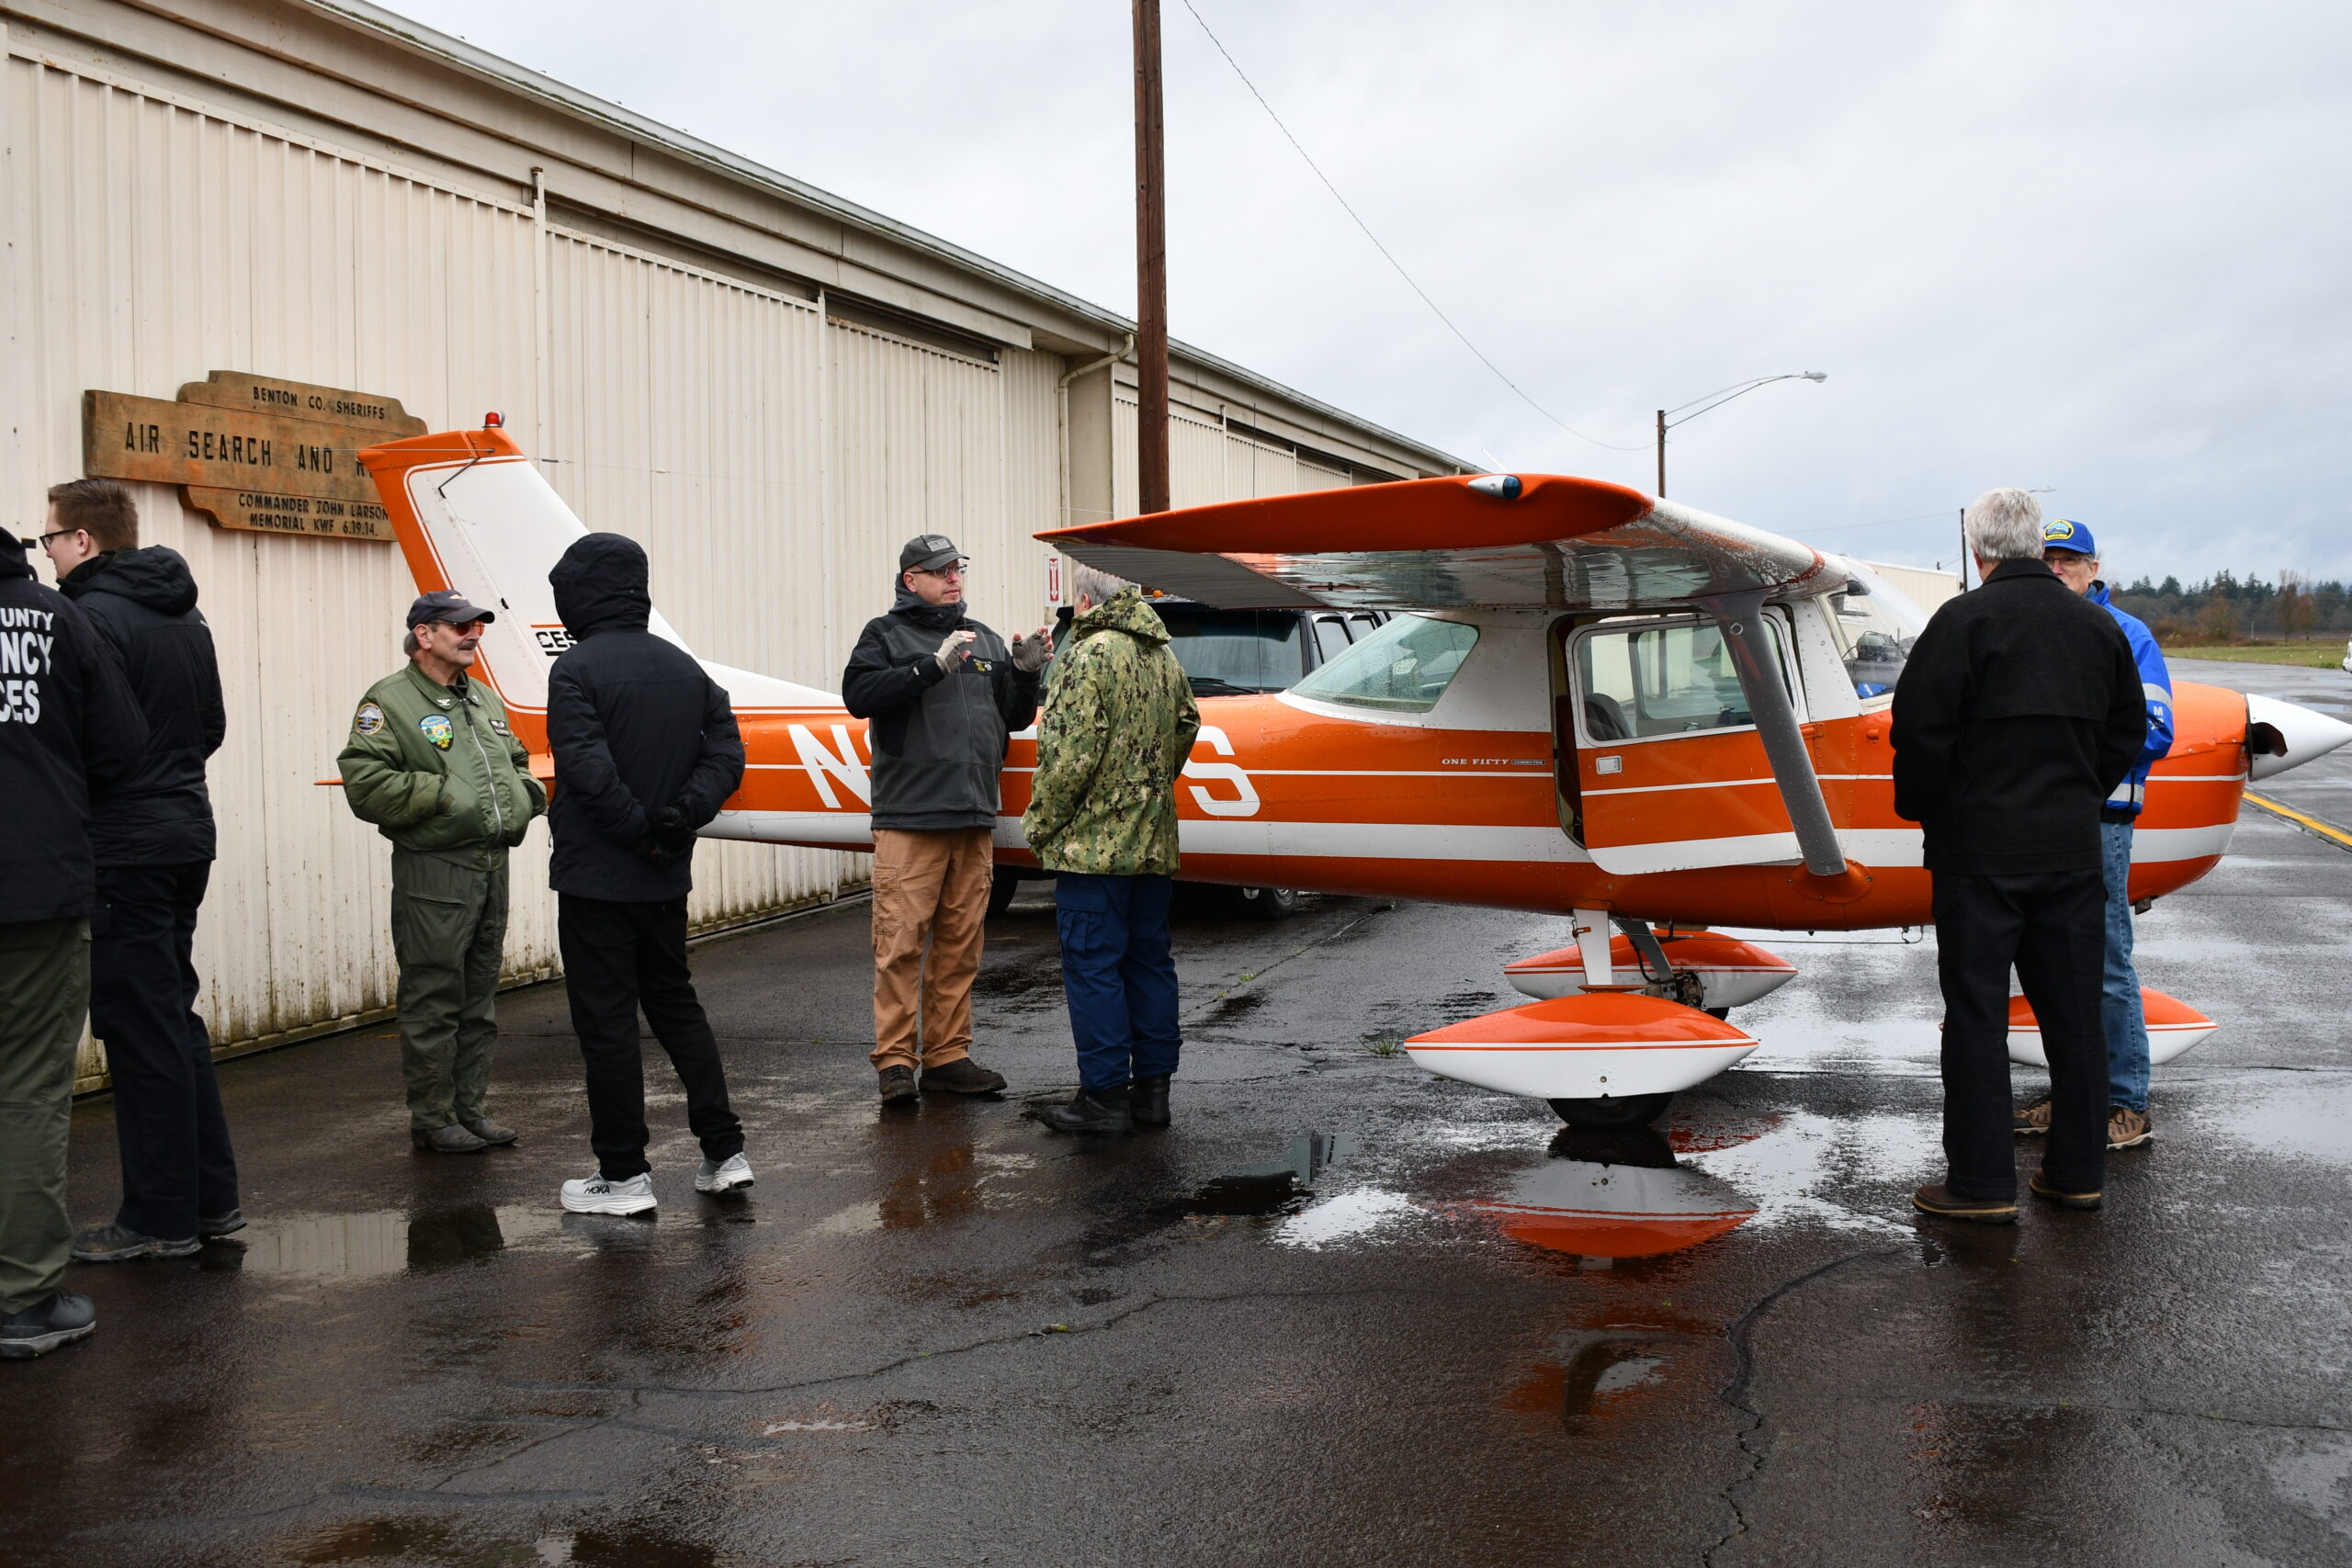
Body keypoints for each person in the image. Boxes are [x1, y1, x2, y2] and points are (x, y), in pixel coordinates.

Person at [1893, 489, 2145, 1223]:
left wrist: (1931, 809)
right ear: (2037, 544)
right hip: (2071, 852)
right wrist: (2080, 792)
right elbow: (2128, 729)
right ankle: (2076, 1174)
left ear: (1978, 552)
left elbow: (1918, 731)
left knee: (1977, 1015)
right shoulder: (2098, 627)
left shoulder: (1960, 622)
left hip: (1977, 857)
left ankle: (1980, 1183)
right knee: (2075, 1016)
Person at [39, 480, 240, 1263]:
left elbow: (91, 741)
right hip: (185, 831)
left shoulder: (88, 617)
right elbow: (211, 725)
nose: (47, 554)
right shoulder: (184, 613)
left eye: (50, 538)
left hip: (125, 845)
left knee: (139, 1025)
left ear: (83, 541)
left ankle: (159, 1217)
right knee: (172, 1016)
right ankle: (210, 1200)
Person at [542, 534, 750, 1217]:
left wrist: (637, 830)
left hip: (597, 878)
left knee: (607, 1024)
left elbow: (585, 766)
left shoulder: (575, 669)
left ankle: (623, 1175)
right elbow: (727, 755)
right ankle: (725, 1152)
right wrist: (676, 820)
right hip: (664, 875)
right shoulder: (685, 667)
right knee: (677, 1007)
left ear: (578, 596)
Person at [0, 531, 146, 1358]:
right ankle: (21, 1296)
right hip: (33, 887)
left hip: (36, 884)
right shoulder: (52, 616)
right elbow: (121, 748)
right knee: (24, 1089)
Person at [842, 535, 1050, 1105]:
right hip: (910, 817)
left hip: (973, 815)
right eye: (940, 571)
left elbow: (1014, 717)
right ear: (911, 579)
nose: (953, 578)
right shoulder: (884, 635)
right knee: (900, 946)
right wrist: (929, 668)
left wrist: (1024, 672)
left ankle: (947, 1058)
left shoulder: (984, 639)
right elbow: (859, 695)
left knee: (960, 947)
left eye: (957, 568)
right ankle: (894, 1063)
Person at [338, 591, 546, 1154]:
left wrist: (526, 797)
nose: (472, 633)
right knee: (433, 996)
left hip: (491, 867)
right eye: (459, 625)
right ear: (424, 636)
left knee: (479, 1000)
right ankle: (433, 1118)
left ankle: (470, 1111)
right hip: (436, 870)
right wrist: (446, 796)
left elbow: (519, 762)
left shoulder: (482, 697)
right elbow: (365, 782)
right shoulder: (389, 701)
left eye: (477, 625)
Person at [1022, 564, 1201, 1135]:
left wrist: (1041, 826)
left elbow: (1067, 756)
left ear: (1084, 600)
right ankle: (1152, 1094)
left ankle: (1103, 1098)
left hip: (1092, 846)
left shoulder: (1087, 653)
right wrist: (1150, 786)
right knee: (1149, 961)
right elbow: (1187, 722)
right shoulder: (1162, 654)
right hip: (1153, 842)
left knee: (1093, 965)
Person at [2015, 519, 2173, 1153]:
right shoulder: (2035, 627)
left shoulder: (2128, 634)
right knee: (2053, 963)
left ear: (2093, 568)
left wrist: (2068, 769)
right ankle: (2075, 1095)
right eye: (2049, 559)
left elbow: (2154, 728)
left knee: (2106, 962)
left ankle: (2128, 1103)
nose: (2058, 570)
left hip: (2101, 821)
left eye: (2070, 560)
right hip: (2043, 821)